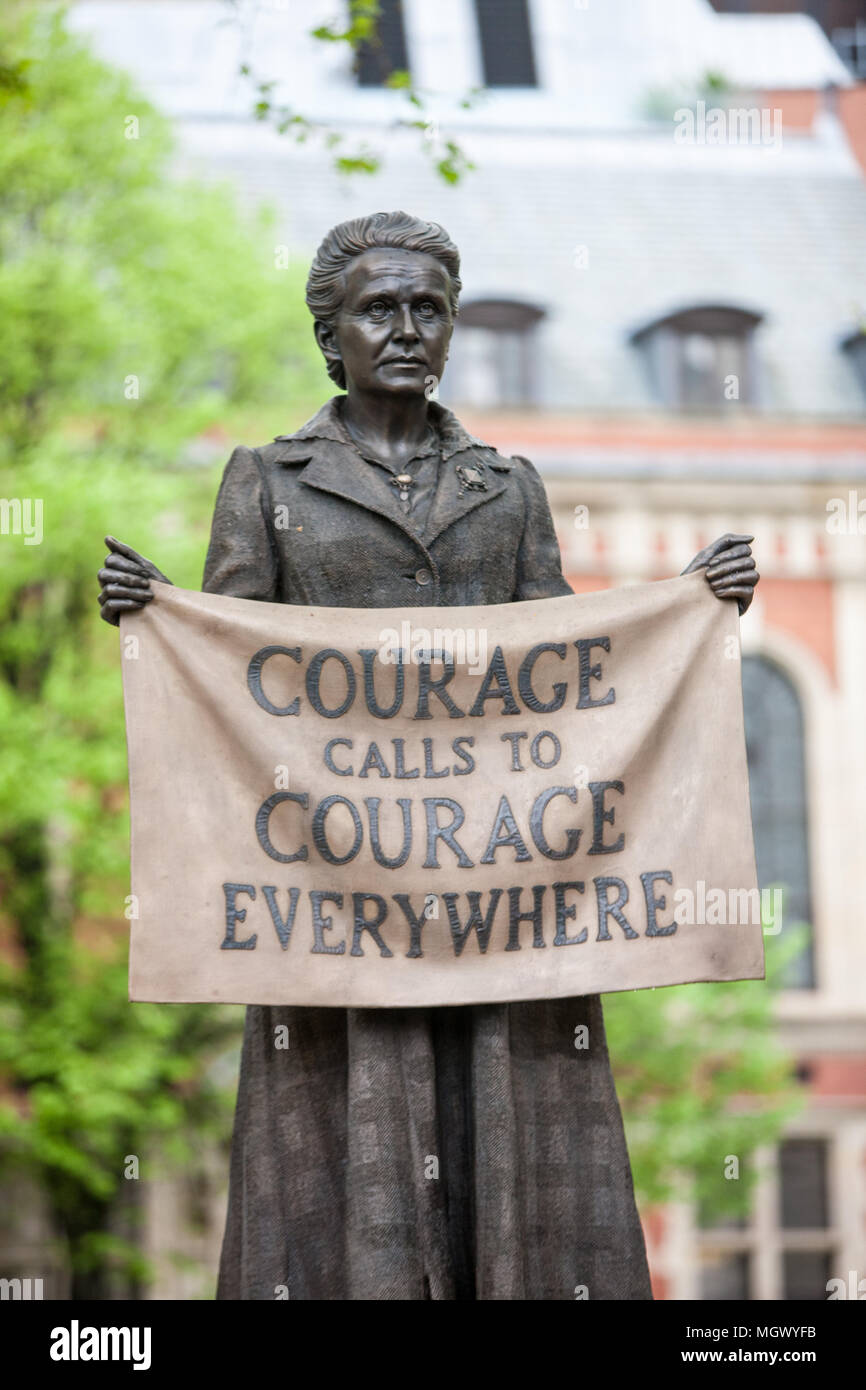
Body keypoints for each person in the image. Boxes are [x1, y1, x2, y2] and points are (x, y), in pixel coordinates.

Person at [98, 211, 759, 1300]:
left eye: (427, 308)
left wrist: (686, 607)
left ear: (449, 327)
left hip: (505, 913)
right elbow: (227, 681)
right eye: (378, 309)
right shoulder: (266, 479)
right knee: (348, 1165)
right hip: (336, 914)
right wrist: (155, 615)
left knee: (514, 1153)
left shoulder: (510, 485)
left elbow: (573, 674)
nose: (405, 327)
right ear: (332, 336)